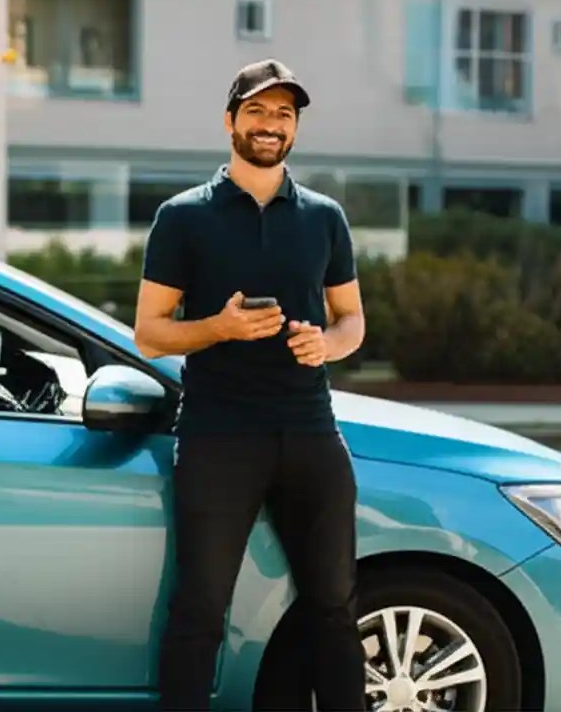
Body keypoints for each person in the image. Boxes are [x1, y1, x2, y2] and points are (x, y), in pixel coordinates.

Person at [133, 59, 368, 711]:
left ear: (294, 129)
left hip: (311, 433)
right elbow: (150, 334)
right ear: (231, 121)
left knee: (334, 607)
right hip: (218, 436)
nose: (271, 125)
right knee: (201, 608)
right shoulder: (182, 217)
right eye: (258, 112)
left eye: (284, 115)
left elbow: (351, 320)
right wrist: (219, 327)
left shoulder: (324, 217)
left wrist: (329, 343)